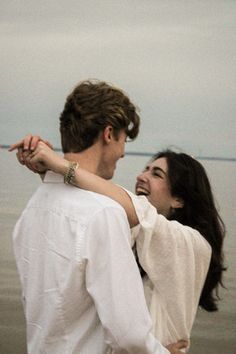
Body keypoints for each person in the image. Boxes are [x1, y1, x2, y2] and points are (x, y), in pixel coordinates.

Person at [10, 80, 187, 354]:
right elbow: (129, 335)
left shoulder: (30, 211)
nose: (124, 152)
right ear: (108, 134)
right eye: (123, 139)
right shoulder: (103, 213)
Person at [11, 137, 226, 353]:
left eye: (156, 174)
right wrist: (46, 171)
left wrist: (57, 164)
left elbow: (130, 208)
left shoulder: (194, 245)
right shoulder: (140, 238)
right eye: (146, 169)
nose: (141, 177)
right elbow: (87, 207)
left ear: (178, 200)